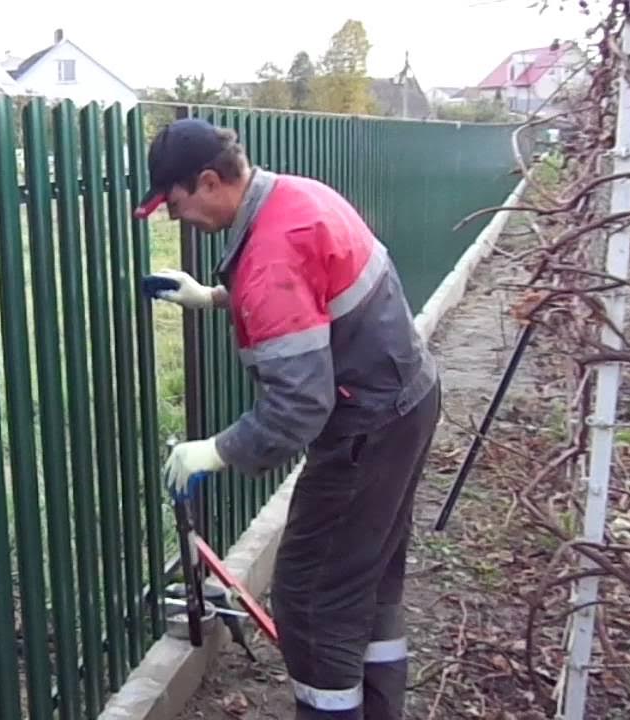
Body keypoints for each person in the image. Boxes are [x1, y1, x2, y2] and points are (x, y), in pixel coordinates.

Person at [139, 118, 441, 720]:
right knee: (369, 580)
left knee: (311, 599)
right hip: (405, 403)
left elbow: (299, 405)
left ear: (207, 180)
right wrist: (215, 295)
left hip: (367, 428)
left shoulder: (270, 258)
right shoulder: (293, 196)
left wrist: (216, 451)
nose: (175, 220)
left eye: (175, 204)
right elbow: (307, 284)